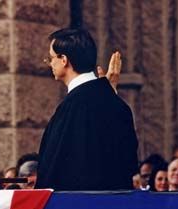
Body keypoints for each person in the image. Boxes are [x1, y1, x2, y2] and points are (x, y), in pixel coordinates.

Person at [36, 28, 138, 191]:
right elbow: (130, 164)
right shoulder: (118, 105)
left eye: (51, 58)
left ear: (64, 60)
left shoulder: (71, 108)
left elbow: (52, 168)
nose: (49, 63)